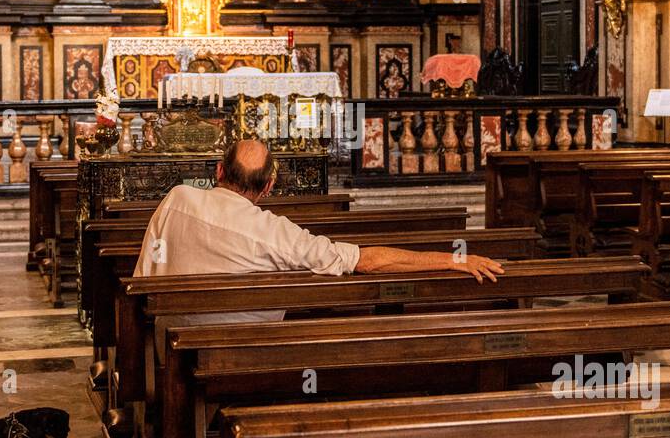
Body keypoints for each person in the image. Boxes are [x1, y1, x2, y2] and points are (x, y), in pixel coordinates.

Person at [134, 139, 502, 327]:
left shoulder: (175, 199)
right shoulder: (274, 232)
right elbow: (365, 262)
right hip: (240, 354)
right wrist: (454, 259)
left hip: (168, 337)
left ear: (218, 171)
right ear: (269, 187)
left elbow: (145, 273)